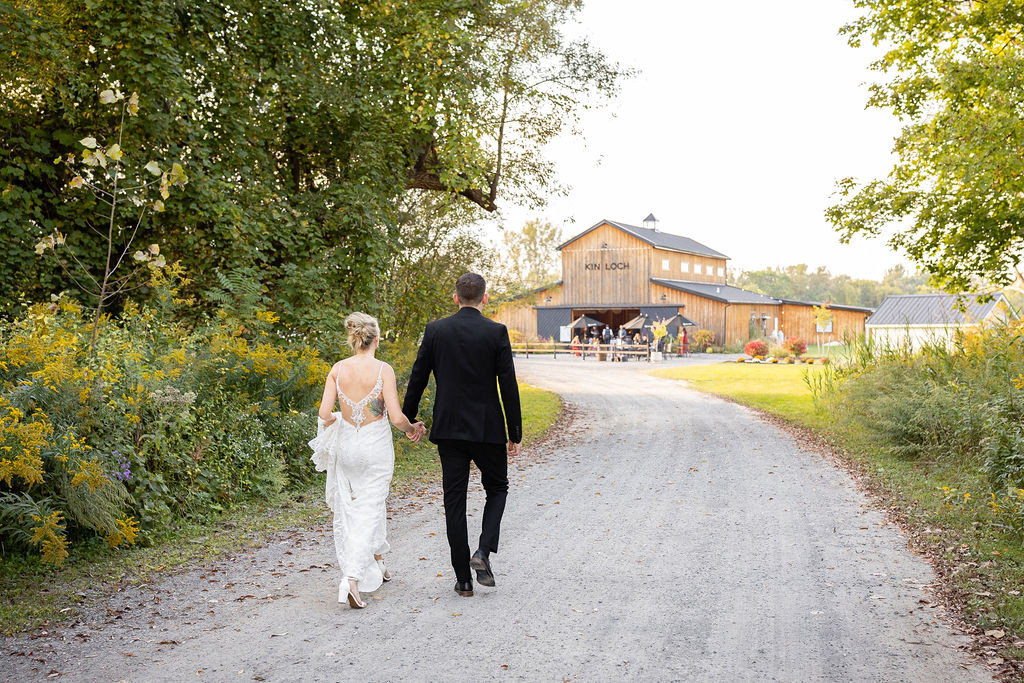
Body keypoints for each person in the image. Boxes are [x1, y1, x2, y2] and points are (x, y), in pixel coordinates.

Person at [402, 273, 522, 598]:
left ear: (455, 298)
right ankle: (482, 551)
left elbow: (418, 376)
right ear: (485, 298)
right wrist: (515, 431)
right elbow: (508, 385)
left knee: (454, 500)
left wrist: (409, 418)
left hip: (449, 428)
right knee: (497, 488)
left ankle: (463, 580)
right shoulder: (496, 331)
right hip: (487, 428)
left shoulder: (436, 330)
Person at [309, 312, 426, 609]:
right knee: (370, 508)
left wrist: (339, 420)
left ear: (353, 338)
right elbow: (396, 417)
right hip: (375, 448)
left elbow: (324, 414)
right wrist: (412, 429)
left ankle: (379, 561)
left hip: (348, 447)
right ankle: (352, 578)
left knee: (365, 506)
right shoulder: (383, 370)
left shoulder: (337, 369)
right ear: (377, 339)